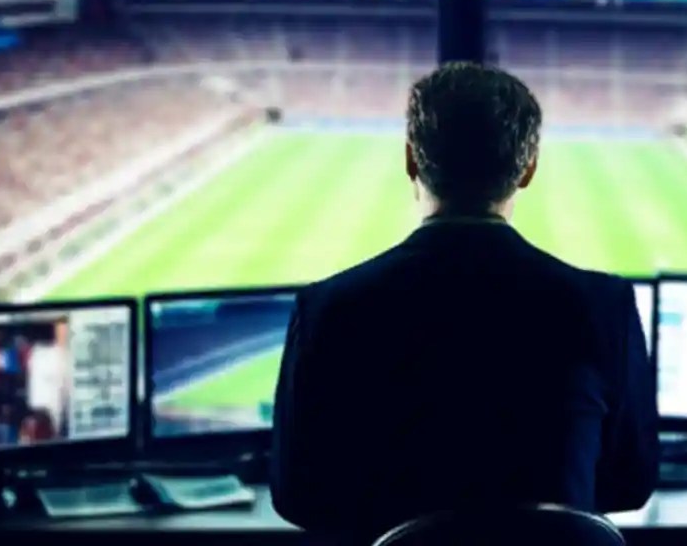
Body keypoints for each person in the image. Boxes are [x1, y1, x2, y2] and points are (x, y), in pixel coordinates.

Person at [271, 62, 657, 539]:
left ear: (411, 159)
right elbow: (631, 483)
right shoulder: (605, 306)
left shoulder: (329, 309)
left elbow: (298, 495)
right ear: (528, 168)